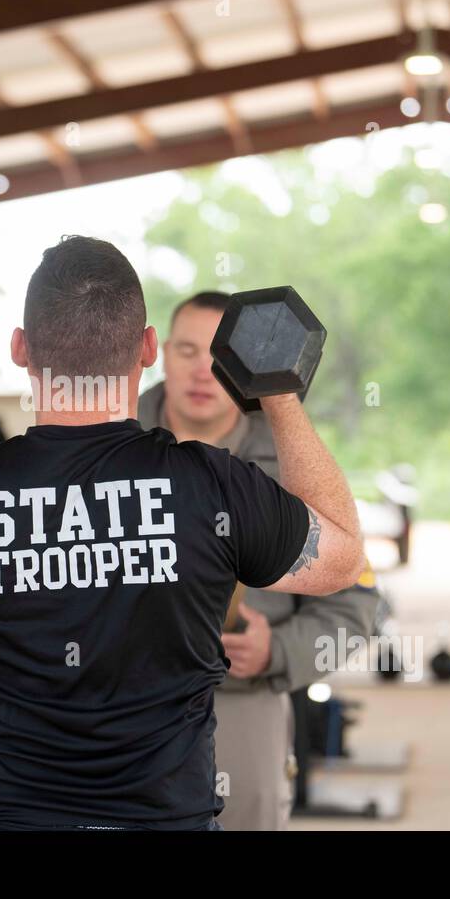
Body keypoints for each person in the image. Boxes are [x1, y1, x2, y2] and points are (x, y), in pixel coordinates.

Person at [0, 236, 366, 830]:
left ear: (20, 349)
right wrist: (279, 392)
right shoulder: (212, 484)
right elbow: (341, 555)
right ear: (148, 349)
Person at [138, 290, 381, 830]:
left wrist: (278, 650)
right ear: (155, 350)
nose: (202, 370)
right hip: (117, 700)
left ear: (244, 356)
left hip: (244, 698)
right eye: (185, 350)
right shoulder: (107, 440)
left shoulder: (294, 461)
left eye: (217, 352)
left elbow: (359, 605)